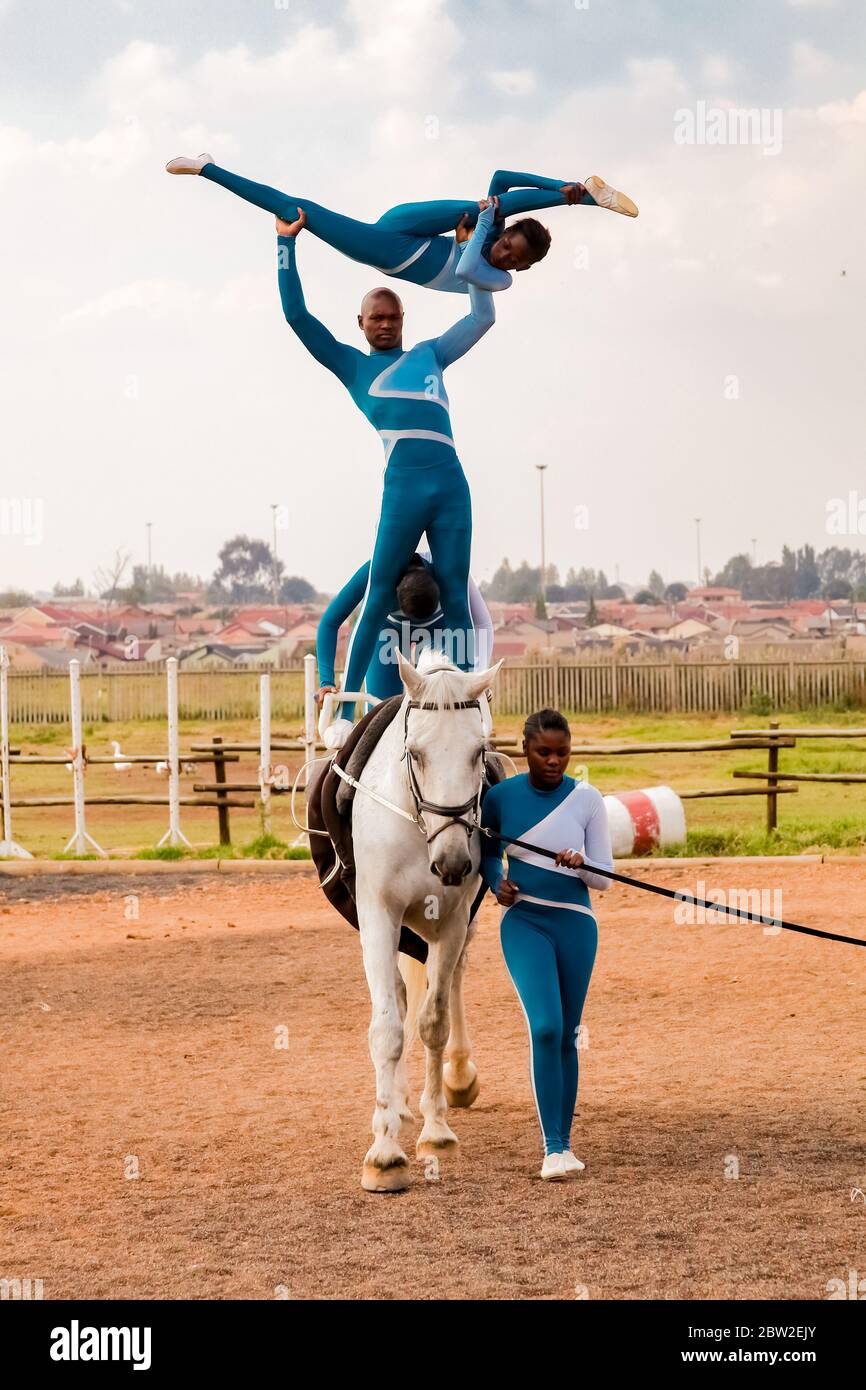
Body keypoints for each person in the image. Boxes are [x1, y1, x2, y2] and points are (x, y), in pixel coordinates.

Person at [275, 208, 494, 723]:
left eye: (394, 317)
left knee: (457, 597)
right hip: (403, 489)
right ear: (361, 324)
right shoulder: (353, 367)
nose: (387, 324)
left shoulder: (432, 354)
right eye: (377, 317)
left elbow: (482, 317)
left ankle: (463, 707)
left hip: (451, 488)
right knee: (376, 599)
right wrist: (287, 246)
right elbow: (297, 318)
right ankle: (348, 712)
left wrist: (471, 253)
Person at [166, 156, 638, 293]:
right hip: (403, 232)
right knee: (491, 202)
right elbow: (501, 178)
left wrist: (471, 240)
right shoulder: (489, 229)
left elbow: (471, 267)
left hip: (394, 245)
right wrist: (559, 186)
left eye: (516, 258)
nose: (505, 253)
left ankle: (207, 169)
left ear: (522, 268)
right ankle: (580, 194)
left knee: (297, 210)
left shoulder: (497, 280)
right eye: (511, 244)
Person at [480, 708, 614, 1182]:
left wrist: (580, 862)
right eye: (544, 752)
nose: (554, 761)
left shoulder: (588, 799)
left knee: (570, 1033)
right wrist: (498, 883)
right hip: (525, 923)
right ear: (526, 750)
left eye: (562, 752)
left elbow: (604, 880)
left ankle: (567, 1144)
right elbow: (485, 854)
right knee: (546, 1027)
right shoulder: (499, 798)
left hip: (576, 925)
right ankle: (552, 1148)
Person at [316, 550, 494, 722]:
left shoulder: (452, 571)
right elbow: (329, 623)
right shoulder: (375, 571)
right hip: (388, 631)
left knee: (444, 699)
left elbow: (482, 625)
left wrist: (477, 675)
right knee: (381, 712)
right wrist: (326, 681)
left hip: (437, 630)